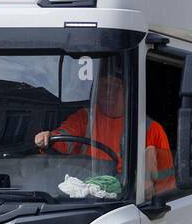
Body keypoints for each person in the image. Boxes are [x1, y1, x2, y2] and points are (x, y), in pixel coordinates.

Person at [34, 74, 175, 197]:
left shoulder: (152, 129)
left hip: (126, 199)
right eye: (103, 87)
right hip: (85, 193)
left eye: (115, 87)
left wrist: (150, 195)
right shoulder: (84, 118)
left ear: (128, 91)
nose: (108, 93)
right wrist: (49, 137)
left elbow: (167, 183)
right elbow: (64, 137)